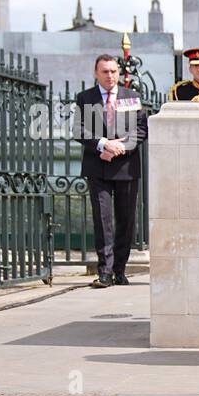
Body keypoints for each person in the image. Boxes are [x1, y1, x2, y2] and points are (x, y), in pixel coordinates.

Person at [76, 54, 147, 288]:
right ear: (96, 73)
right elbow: (80, 130)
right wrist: (103, 144)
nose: (110, 76)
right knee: (103, 219)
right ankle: (104, 272)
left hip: (126, 166)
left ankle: (120, 270)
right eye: (105, 71)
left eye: (114, 71)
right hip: (98, 168)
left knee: (126, 220)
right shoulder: (86, 98)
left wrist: (119, 148)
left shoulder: (132, 97)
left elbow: (141, 129)